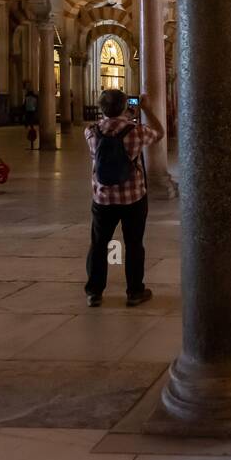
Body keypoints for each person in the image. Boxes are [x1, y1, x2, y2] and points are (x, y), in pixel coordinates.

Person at [83, 89, 163, 308]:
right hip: (133, 198)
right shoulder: (135, 131)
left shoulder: (90, 132)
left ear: (101, 108)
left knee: (99, 245)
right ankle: (135, 291)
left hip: (103, 199)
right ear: (124, 106)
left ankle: (94, 292)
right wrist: (145, 109)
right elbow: (159, 132)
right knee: (134, 244)